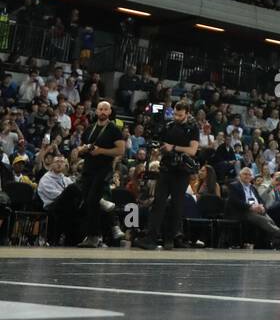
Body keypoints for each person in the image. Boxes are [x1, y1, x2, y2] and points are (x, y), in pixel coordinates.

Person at [134, 101, 199, 251]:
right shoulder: (169, 125)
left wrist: (173, 148)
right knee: (158, 203)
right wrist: (162, 149)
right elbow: (161, 140)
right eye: (175, 114)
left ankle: (171, 238)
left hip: (182, 171)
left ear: (187, 113)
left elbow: (193, 150)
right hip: (166, 168)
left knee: (176, 206)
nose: (177, 117)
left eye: (180, 115)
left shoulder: (192, 128)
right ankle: (151, 238)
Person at [72, 100, 125, 247]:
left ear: (109, 112)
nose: (102, 111)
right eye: (100, 109)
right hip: (88, 168)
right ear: (96, 111)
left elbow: (120, 150)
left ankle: (95, 235)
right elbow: (81, 146)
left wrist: (101, 151)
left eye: (105, 109)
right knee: (90, 202)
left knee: (92, 200)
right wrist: (82, 150)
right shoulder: (89, 128)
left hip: (103, 169)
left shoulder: (113, 129)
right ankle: (98, 232)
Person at [223, 167, 280, 248]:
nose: (247, 176)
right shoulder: (234, 186)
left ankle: (275, 239)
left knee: (269, 219)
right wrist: (251, 207)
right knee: (264, 219)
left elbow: (260, 200)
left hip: (256, 210)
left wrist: (262, 207)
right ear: (240, 175)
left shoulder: (252, 188)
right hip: (242, 211)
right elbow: (235, 201)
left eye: (249, 175)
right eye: (245, 174)